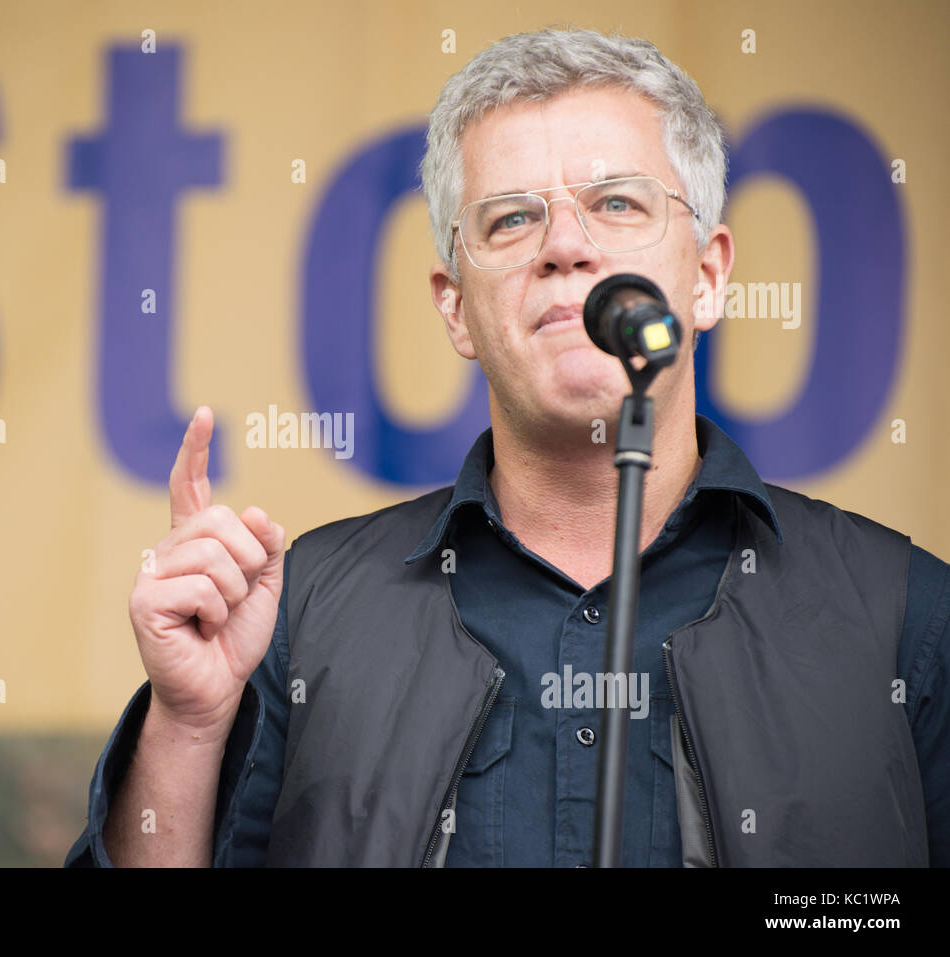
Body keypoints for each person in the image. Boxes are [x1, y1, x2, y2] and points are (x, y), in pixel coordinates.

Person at [65, 27, 949, 867]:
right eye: (512, 219)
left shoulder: (906, 614)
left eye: (615, 202)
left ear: (709, 275)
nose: (566, 245)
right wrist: (185, 725)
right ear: (455, 308)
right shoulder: (294, 617)